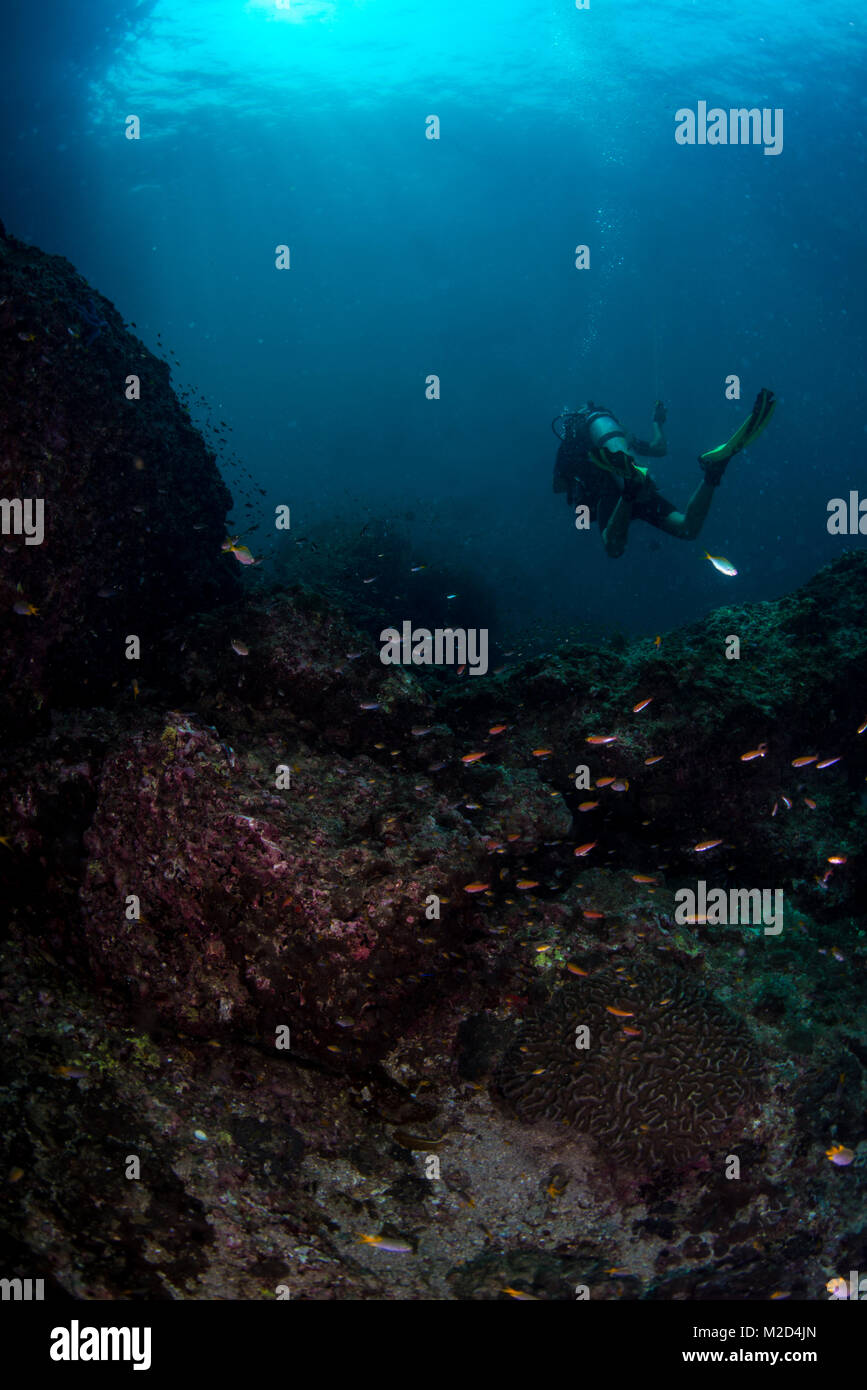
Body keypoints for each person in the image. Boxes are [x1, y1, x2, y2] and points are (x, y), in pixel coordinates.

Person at [552, 389, 776, 558]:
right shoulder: (622, 435)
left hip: (613, 497)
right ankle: (712, 474)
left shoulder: (570, 446)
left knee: (613, 547)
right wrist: (657, 422)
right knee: (687, 528)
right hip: (642, 483)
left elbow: (559, 487)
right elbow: (660, 448)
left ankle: (629, 491)